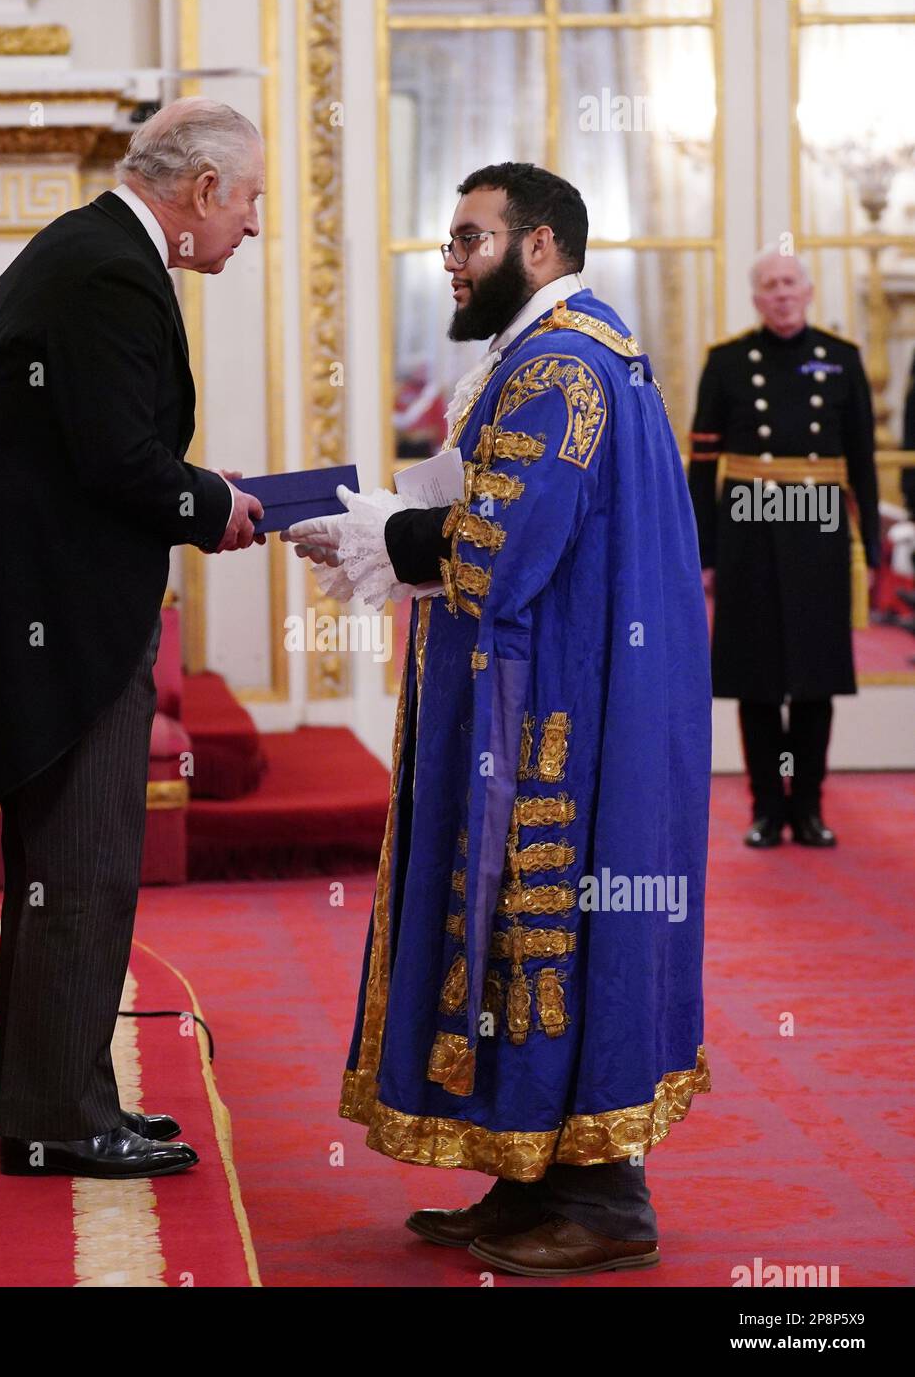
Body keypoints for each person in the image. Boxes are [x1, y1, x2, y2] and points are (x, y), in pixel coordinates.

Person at [286, 162, 711, 1278]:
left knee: (544, 930)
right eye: (448, 237)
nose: (450, 259)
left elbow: (496, 549)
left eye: (470, 238)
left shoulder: (562, 368)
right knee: (517, 933)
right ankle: (528, 1178)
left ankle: (601, 1201)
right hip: (547, 691)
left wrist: (388, 535)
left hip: (555, 720)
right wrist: (387, 533)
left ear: (537, 248)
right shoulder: (551, 357)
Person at [0, 98, 266, 1180]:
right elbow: (116, 457)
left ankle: (57, 1098)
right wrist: (214, 504)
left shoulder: (79, 245)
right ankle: (61, 1118)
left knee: (62, 870)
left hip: (42, 610)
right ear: (202, 190)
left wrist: (198, 493)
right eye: (247, 201)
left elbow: (80, 441)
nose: (250, 228)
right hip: (64, 623)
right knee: (85, 866)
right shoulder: (113, 268)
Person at [688, 252, 880, 849]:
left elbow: (864, 466)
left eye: (789, 283)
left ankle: (809, 806)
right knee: (758, 680)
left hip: (819, 530)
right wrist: (706, 554)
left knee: (816, 679)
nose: (780, 294)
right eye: (769, 285)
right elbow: (703, 467)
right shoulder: (726, 362)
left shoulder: (840, 359)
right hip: (750, 530)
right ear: (756, 297)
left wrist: (868, 551)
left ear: (808, 290)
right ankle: (767, 807)